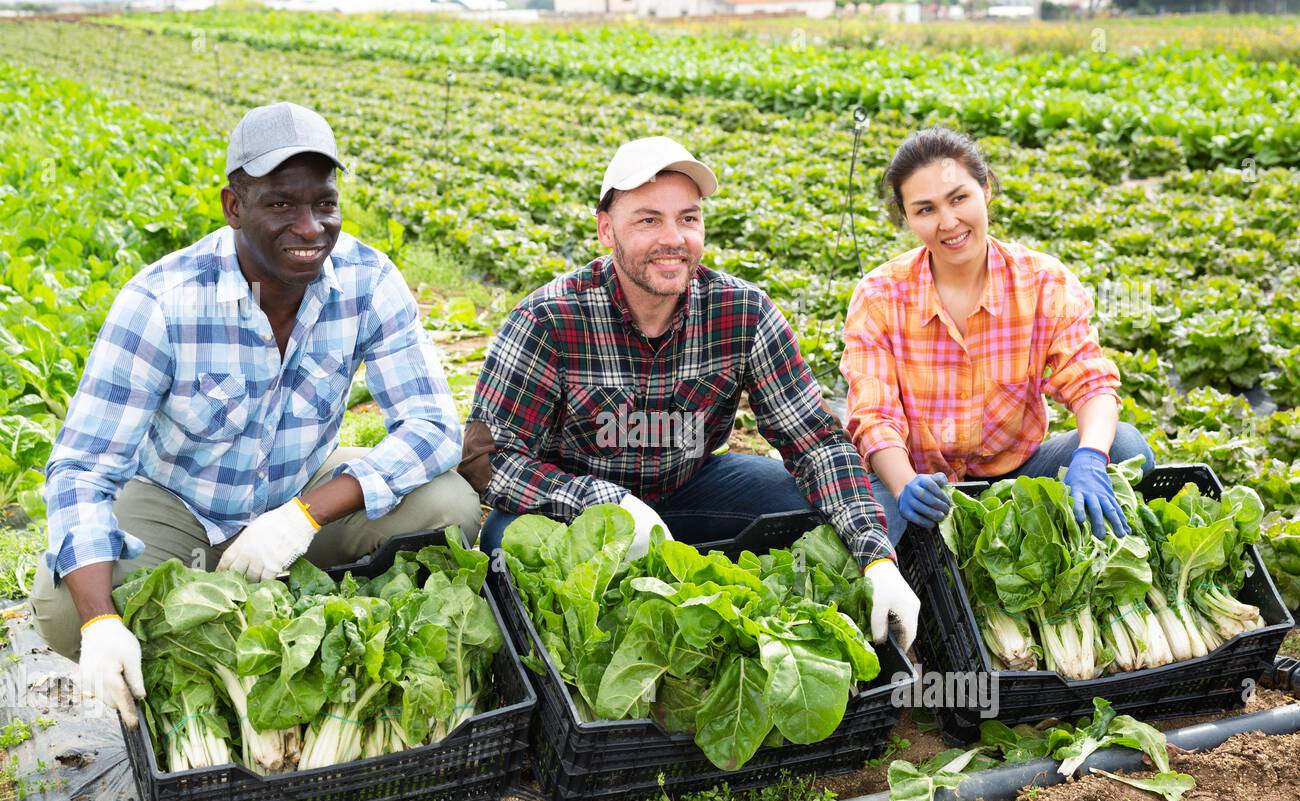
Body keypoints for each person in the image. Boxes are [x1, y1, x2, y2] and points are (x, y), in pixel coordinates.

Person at [31, 102, 480, 727]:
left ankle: (297, 620)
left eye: (324, 203)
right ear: (233, 207)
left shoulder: (367, 280)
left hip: (299, 496)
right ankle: (194, 633)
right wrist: (102, 621)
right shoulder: (162, 301)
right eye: (280, 205)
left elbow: (434, 428)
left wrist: (302, 516)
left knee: (448, 507)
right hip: (180, 506)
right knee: (63, 606)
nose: (309, 227)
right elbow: (81, 469)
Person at [459, 135, 920, 652]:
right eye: (648, 219)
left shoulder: (742, 311)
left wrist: (878, 559)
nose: (673, 238)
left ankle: (797, 622)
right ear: (605, 228)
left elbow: (815, 442)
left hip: (692, 486)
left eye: (688, 218)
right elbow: (488, 459)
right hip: (582, 509)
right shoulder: (547, 319)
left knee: (871, 502)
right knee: (505, 545)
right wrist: (604, 504)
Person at [840, 126, 1155, 547]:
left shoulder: (1044, 282)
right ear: (907, 217)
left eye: (959, 198)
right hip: (920, 483)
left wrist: (1090, 457)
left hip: (1017, 474)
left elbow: (1089, 379)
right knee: (872, 532)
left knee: (1127, 445)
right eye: (925, 209)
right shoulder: (880, 295)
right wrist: (903, 486)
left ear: (986, 189)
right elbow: (873, 413)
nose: (948, 223)